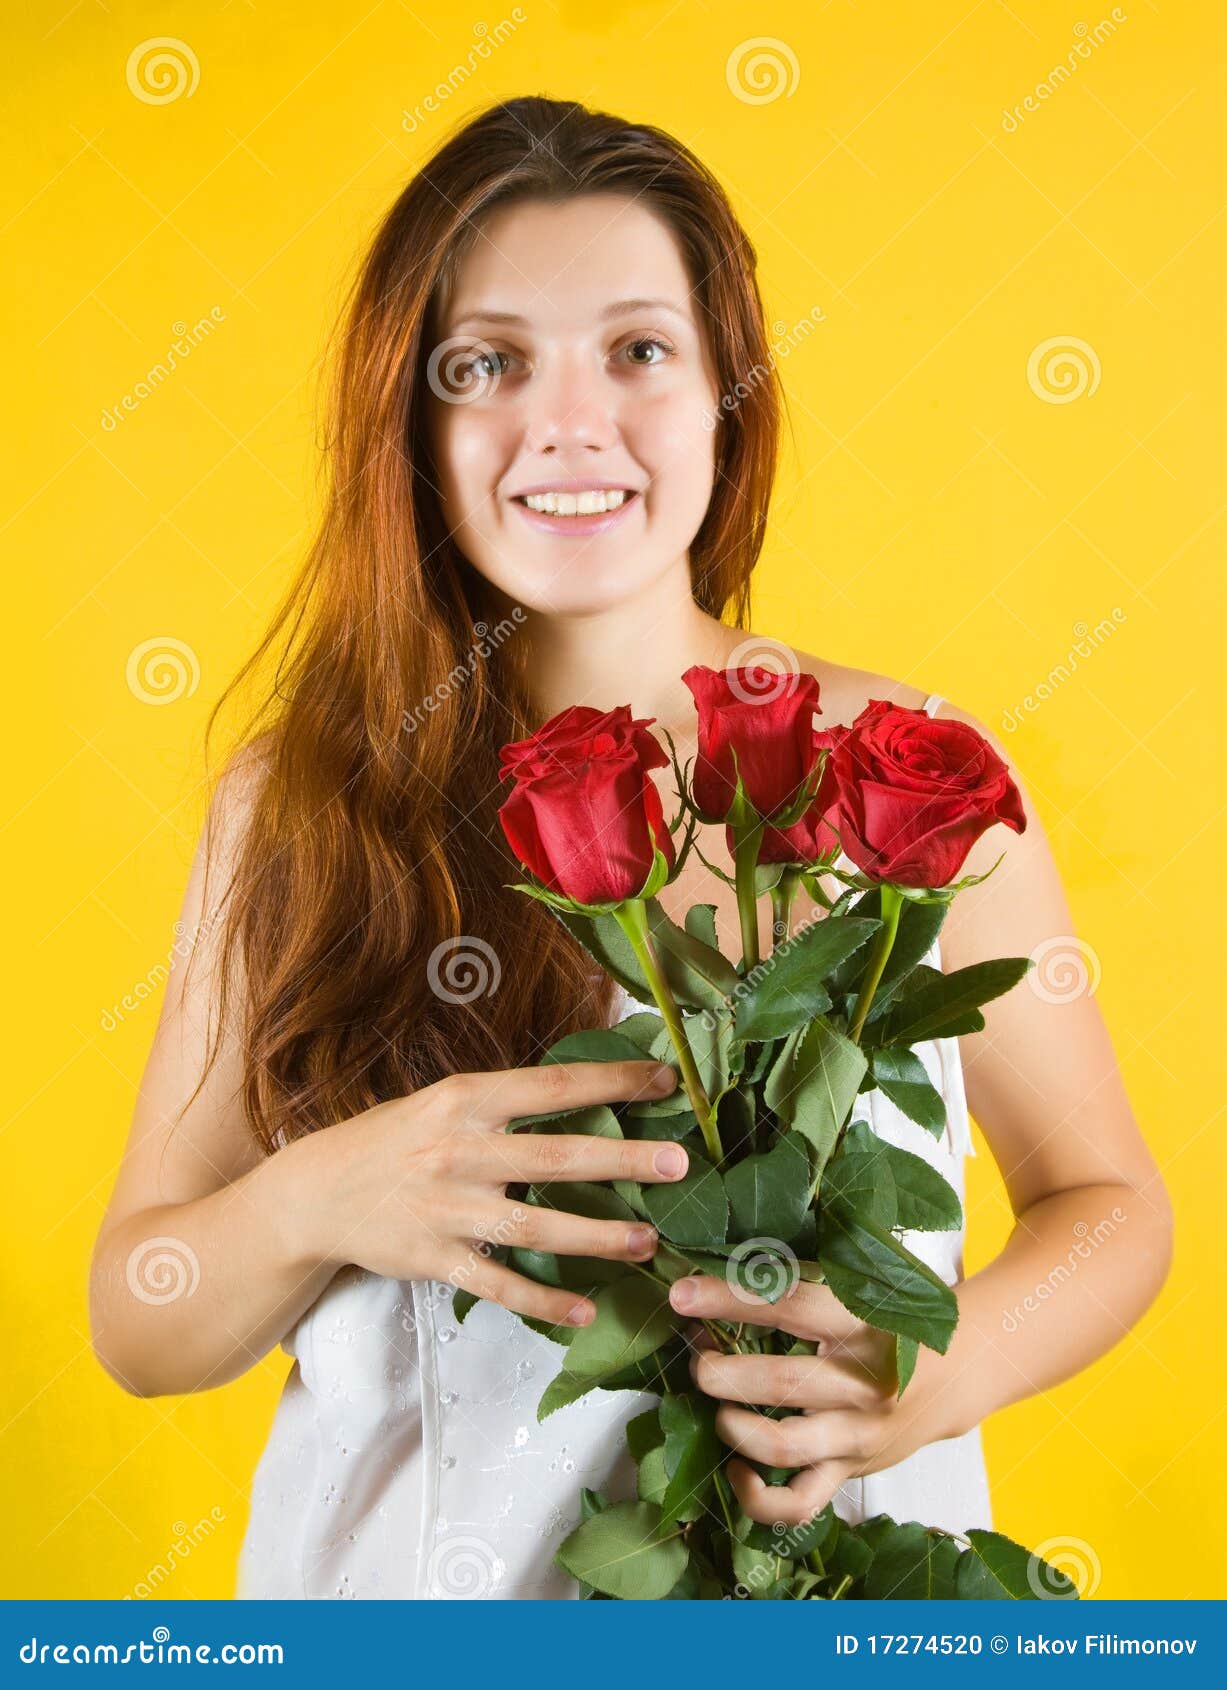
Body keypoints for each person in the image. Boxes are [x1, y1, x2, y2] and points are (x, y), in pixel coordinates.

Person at [88, 96, 1173, 1600]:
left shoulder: (912, 765)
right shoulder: (301, 802)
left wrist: (941, 1366)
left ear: (731, 391)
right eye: (489, 364)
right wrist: (320, 1194)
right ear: (411, 419)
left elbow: (1108, 1202)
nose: (568, 422)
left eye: (640, 349)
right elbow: (142, 1320)